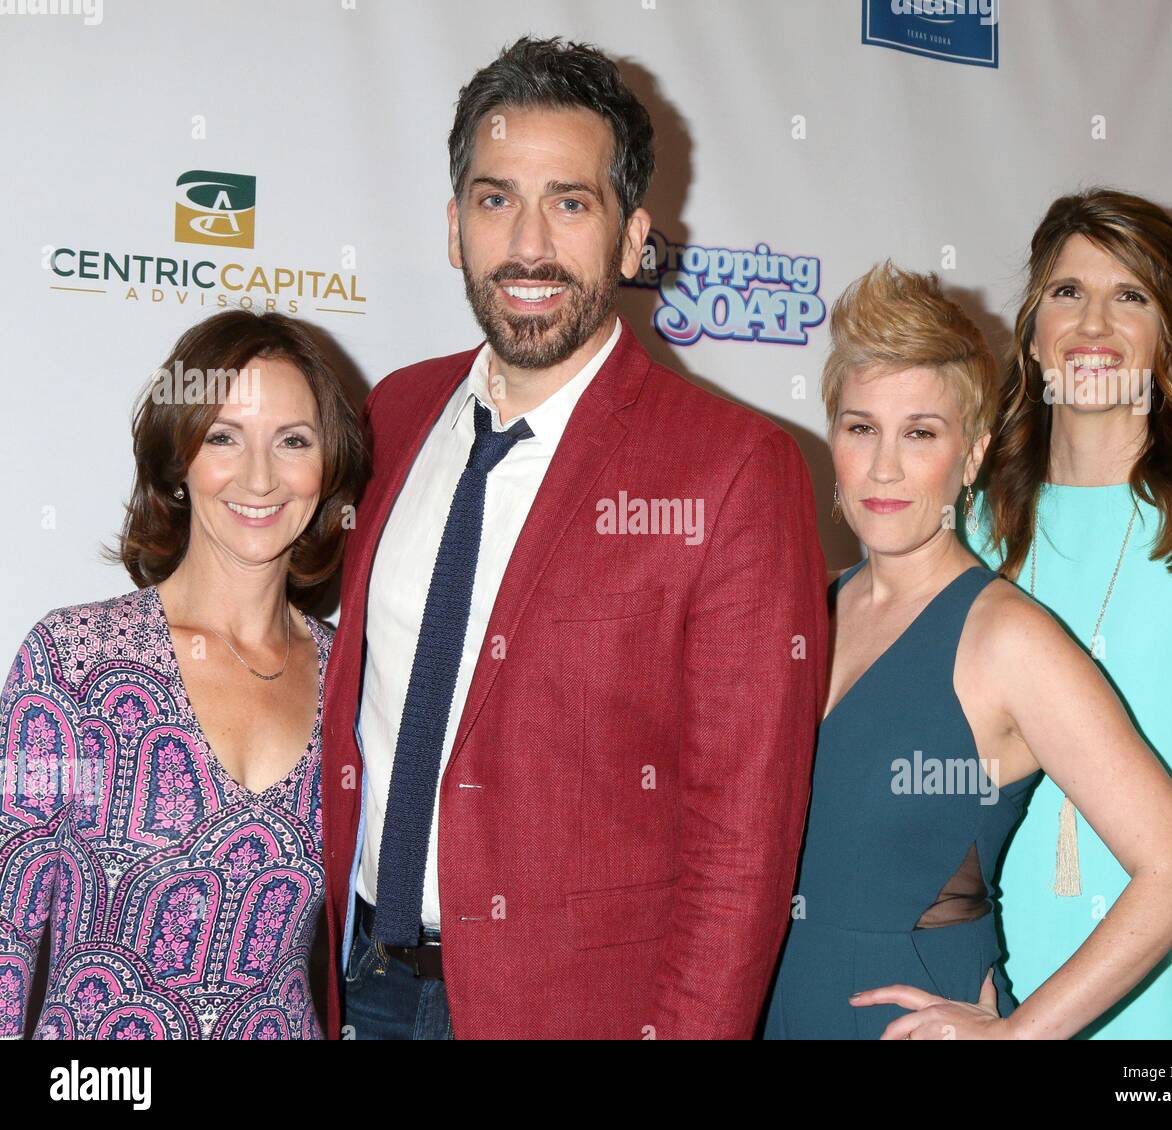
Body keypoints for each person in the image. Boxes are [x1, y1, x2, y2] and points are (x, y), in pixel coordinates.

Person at [319, 35, 828, 1040]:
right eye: (496, 198)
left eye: (571, 202)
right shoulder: (390, 412)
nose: (529, 245)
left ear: (635, 237)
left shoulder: (732, 470)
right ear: (454, 225)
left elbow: (743, 844)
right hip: (354, 981)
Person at [762, 261, 1172, 1040]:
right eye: (861, 427)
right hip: (771, 1008)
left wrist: (1018, 1034)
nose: (883, 467)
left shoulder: (1006, 638)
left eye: (921, 434)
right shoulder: (806, 608)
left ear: (971, 455)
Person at [966, 187, 1172, 1038]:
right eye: (1068, 292)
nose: (1093, 324)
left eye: (1131, 296)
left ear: (1169, 334)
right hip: (995, 983)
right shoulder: (972, 525)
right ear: (1034, 327)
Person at [0, 309, 367, 1039]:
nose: (260, 477)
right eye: (224, 437)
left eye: (293, 441)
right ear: (181, 457)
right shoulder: (75, 661)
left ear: (327, 469)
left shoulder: (352, 679)